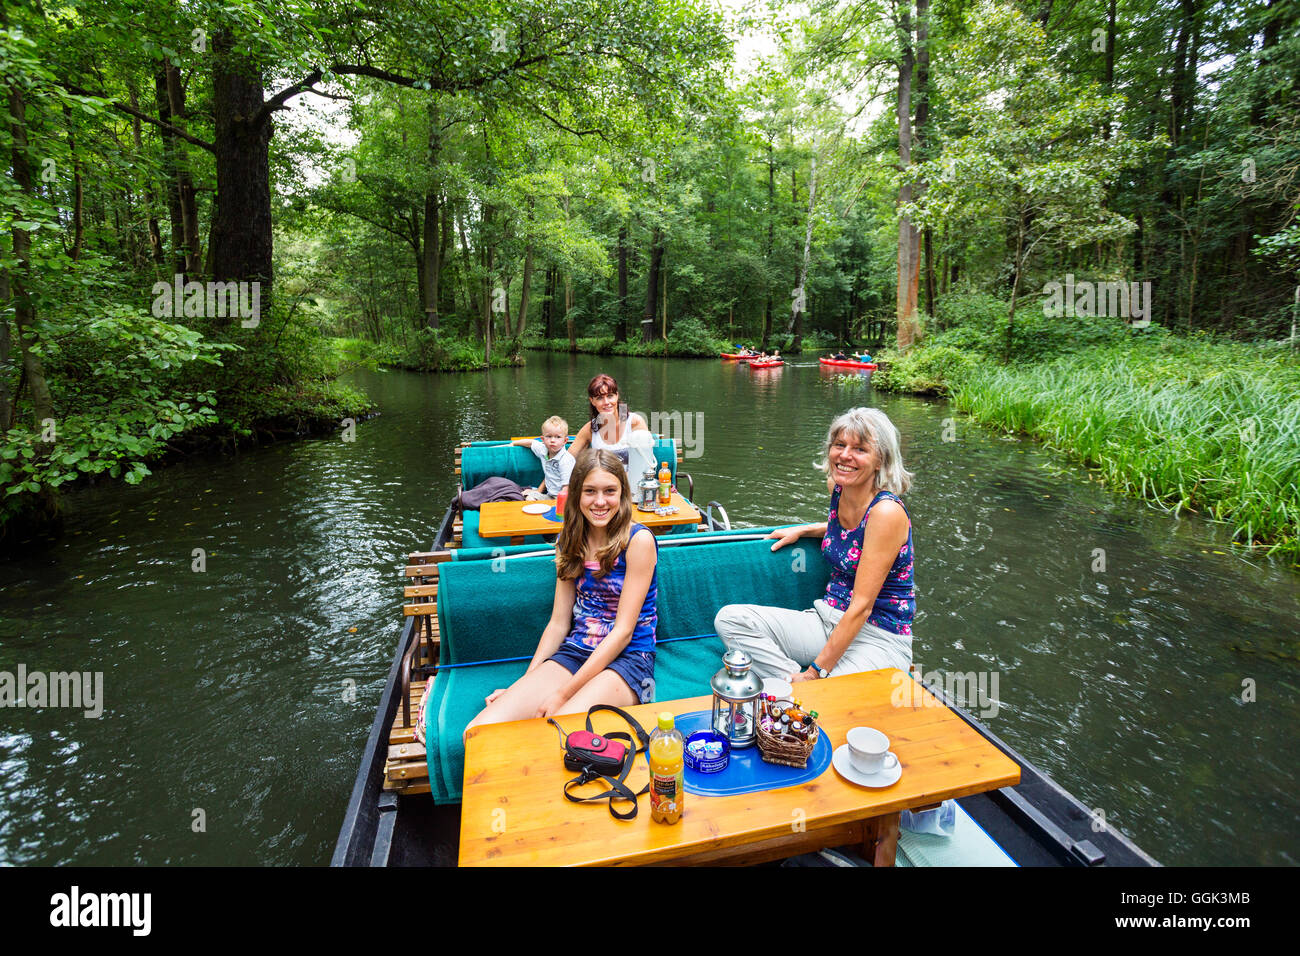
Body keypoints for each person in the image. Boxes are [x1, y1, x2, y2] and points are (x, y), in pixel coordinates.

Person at [714, 407, 915, 682]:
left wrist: (815, 672)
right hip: (828, 619)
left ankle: (804, 689)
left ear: (880, 460)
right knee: (730, 620)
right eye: (840, 445)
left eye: (860, 449)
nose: (845, 456)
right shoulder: (839, 488)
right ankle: (792, 684)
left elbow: (862, 606)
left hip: (877, 636)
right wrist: (807, 529)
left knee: (826, 695)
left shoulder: (887, 513)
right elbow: (853, 533)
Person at [465, 449, 659, 730]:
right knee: (478, 732)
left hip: (628, 658)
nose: (600, 501)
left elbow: (623, 631)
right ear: (577, 494)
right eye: (590, 491)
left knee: (552, 730)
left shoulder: (638, 541)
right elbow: (558, 624)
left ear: (623, 493)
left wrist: (562, 694)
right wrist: (523, 686)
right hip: (576, 650)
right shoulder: (568, 540)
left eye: (610, 491)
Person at [566, 373, 650, 474]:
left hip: (632, 485)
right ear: (592, 401)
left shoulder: (634, 422)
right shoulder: (591, 428)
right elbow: (566, 460)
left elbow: (645, 463)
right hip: (602, 485)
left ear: (617, 396)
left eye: (610, 396)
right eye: (600, 398)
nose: (606, 402)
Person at [512, 415, 574, 501]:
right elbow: (531, 443)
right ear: (543, 439)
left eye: (558, 437)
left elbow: (566, 488)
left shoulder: (566, 460)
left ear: (565, 441)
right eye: (549, 436)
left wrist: (559, 506)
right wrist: (514, 444)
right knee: (529, 498)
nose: (552, 440)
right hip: (550, 495)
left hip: (564, 498)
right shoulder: (543, 450)